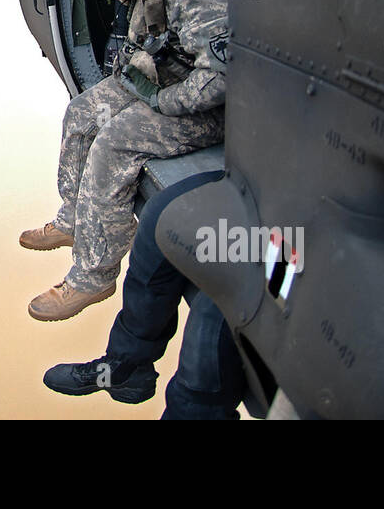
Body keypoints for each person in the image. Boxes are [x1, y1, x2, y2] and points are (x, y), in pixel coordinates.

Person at [20, 0, 228, 321]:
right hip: (164, 76)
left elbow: (221, 80)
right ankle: (73, 219)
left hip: (211, 107)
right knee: (81, 115)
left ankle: (92, 276)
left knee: (114, 143)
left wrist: (161, 99)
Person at [41, 172, 249, 419]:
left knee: (213, 312)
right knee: (160, 216)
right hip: (257, 183)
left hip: (285, 229)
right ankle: (126, 367)